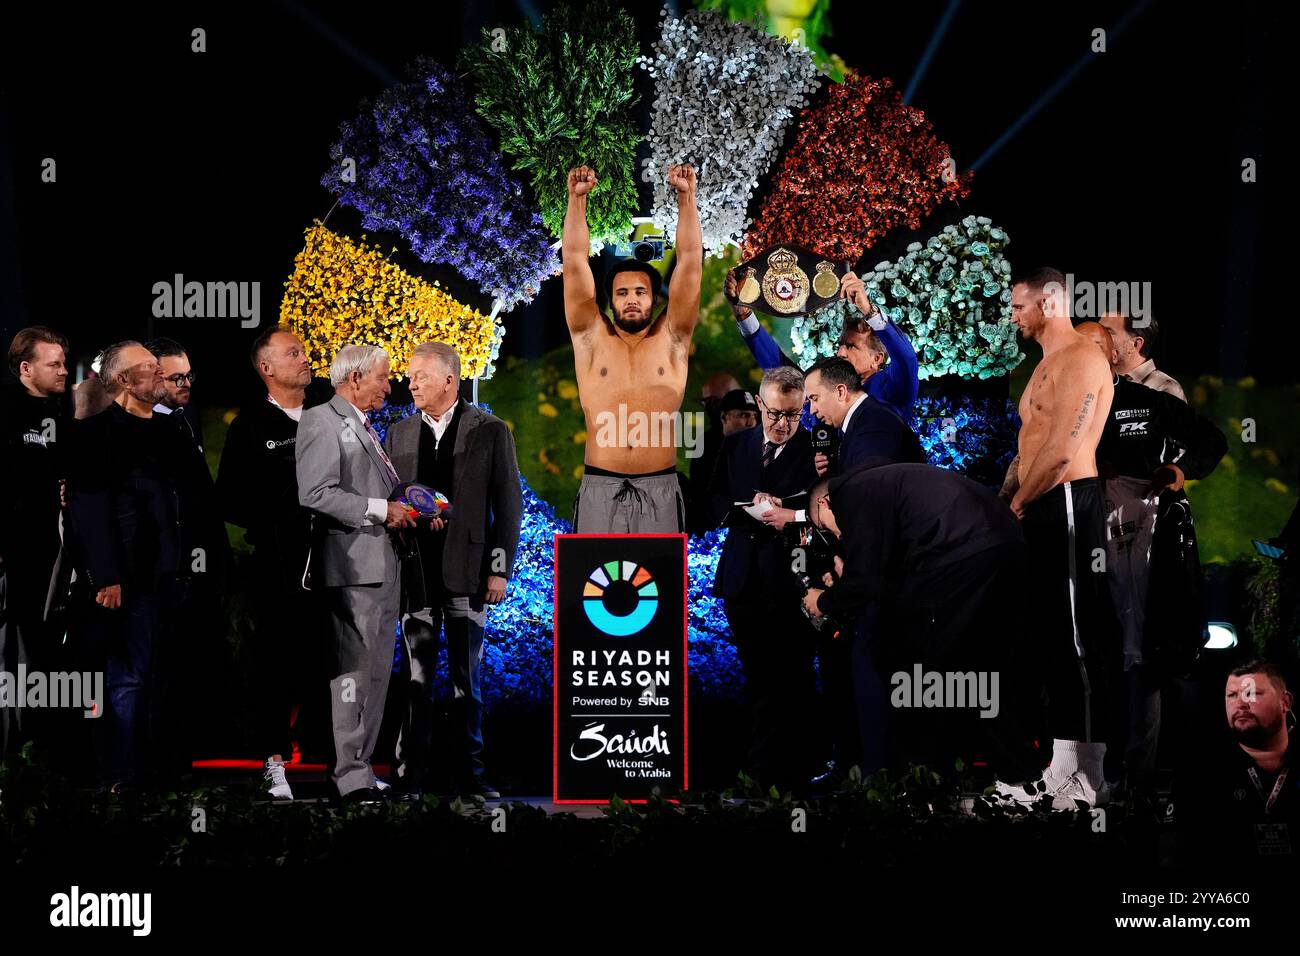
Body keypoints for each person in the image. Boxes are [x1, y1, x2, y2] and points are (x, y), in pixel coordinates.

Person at [801, 464, 1038, 780]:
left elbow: (868, 582)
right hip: (1003, 545)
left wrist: (823, 601)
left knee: (936, 667)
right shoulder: (883, 485)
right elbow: (883, 571)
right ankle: (1007, 770)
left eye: (825, 526)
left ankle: (946, 772)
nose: (836, 534)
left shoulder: (850, 493)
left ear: (824, 503)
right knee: (987, 662)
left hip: (965, 555)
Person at [65, 341, 222, 789]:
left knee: (165, 676)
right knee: (126, 678)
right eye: (150, 369)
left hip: (174, 576)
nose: (161, 375)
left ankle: (161, 772)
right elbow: (90, 510)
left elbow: (194, 505)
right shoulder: (96, 435)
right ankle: (116, 775)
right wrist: (107, 576)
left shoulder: (174, 432)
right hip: (129, 579)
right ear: (123, 380)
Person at [992, 268, 1119, 811]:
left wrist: (1020, 504)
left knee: (1075, 636)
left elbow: (1065, 448)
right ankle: (1052, 765)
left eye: (1020, 305)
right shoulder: (1044, 363)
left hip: (1067, 500)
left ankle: (1089, 777)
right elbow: (1029, 447)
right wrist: (1000, 506)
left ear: (1048, 300)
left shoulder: (1082, 358)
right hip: (1036, 503)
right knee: (1039, 638)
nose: (1014, 315)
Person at [384, 341, 522, 799]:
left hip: (470, 577)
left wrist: (499, 571)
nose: (411, 382)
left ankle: (471, 778)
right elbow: (391, 502)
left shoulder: (491, 430)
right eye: (409, 375)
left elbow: (507, 506)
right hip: (415, 577)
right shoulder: (397, 434)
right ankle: (409, 778)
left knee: (469, 682)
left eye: (420, 375)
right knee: (416, 680)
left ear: (449, 379)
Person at [216, 326, 332, 800]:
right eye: (293, 353)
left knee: (332, 665)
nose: (305, 359)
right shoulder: (249, 427)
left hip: (335, 564)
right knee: (275, 667)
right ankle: (274, 762)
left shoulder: (330, 415)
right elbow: (229, 501)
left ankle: (338, 765)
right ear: (267, 368)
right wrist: (284, 514)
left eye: (304, 351)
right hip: (277, 570)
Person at [295, 344, 412, 802]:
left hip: (382, 568)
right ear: (355, 378)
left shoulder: (364, 425)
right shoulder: (320, 420)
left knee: (376, 674)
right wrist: (384, 509)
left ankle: (360, 770)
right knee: (353, 675)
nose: (389, 386)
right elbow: (316, 493)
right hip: (352, 570)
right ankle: (348, 775)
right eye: (382, 378)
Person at [563, 163, 702, 533]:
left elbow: (689, 262)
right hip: (599, 484)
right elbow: (575, 260)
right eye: (621, 293)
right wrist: (576, 201)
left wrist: (686, 198)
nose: (631, 300)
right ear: (609, 301)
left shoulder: (673, 338)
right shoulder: (589, 339)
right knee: (593, 586)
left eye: (640, 292)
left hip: (661, 484)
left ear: (655, 300)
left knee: (661, 589)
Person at [708, 366, 819, 791]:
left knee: (791, 677)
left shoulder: (818, 450)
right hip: (741, 579)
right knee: (759, 678)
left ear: (803, 409)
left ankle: (784, 773)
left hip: (792, 581)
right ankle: (762, 770)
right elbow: (714, 498)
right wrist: (745, 504)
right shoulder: (736, 444)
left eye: (792, 416)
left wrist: (790, 518)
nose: (782, 425)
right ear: (758, 404)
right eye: (774, 414)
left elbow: (829, 517)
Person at [1, 326, 71, 756]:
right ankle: (11, 761)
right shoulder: (4, 410)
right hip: (13, 560)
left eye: (65, 362)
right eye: (55, 364)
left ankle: (44, 758)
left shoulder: (67, 413)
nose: (64, 370)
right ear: (26, 369)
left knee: (48, 659)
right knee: (14, 659)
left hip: (58, 561)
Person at [727, 268, 920, 419]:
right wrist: (743, 315)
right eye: (841, 345)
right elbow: (781, 370)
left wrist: (867, 309)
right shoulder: (826, 386)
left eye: (852, 346)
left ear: (876, 359)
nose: (841, 352)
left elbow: (907, 358)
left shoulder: (891, 387)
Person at [1176, 661, 1297, 863]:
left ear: (1285, 702)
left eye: (1252, 693)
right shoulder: (1202, 771)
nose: (1240, 703)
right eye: (1232, 695)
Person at [803, 356, 919, 477]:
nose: (812, 410)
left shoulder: (873, 428)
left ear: (840, 392)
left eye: (815, 399)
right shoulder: (865, 420)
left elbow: (868, 489)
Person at [685, 372, 741, 534]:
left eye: (714, 401)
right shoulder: (704, 441)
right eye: (706, 402)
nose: (709, 408)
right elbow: (697, 492)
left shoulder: (763, 437)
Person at [1099, 312, 1184, 401]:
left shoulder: (1165, 389)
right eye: (1098, 330)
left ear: (1135, 344)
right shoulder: (1096, 378)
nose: (1096, 338)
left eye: (1107, 332)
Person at [145, 337, 203, 449]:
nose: (187, 384)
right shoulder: (130, 425)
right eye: (177, 377)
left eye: (188, 376)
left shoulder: (189, 414)